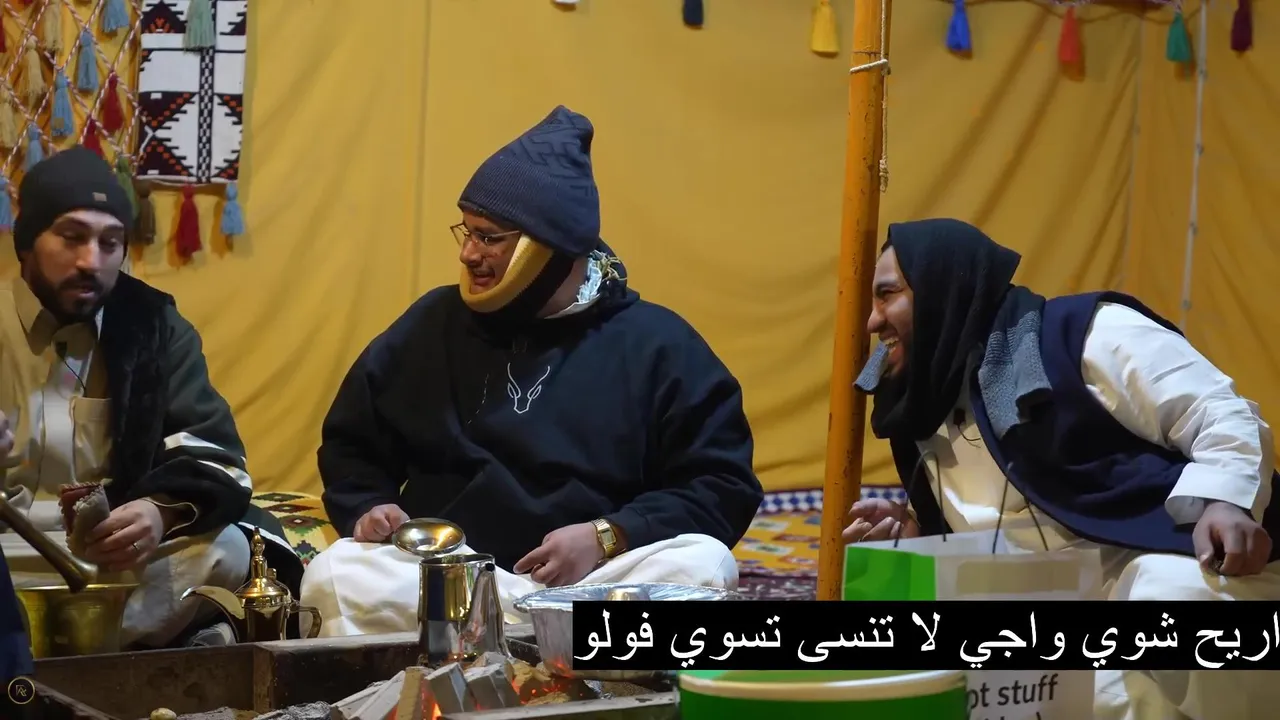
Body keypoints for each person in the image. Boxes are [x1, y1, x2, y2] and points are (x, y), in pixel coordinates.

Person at [301, 106, 762, 636]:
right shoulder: (433, 324)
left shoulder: (658, 344)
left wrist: (608, 535)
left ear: (550, 247)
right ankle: (548, 636)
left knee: (701, 563)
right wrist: (370, 505)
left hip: (596, 580)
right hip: (451, 576)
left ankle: (534, 631)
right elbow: (353, 444)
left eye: (489, 237)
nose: (468, 254)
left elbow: (721, 485)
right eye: (466, 232)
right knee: (334, 574)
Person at [844, 218, 1280, 720]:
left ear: (943, 285)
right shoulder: (920, 411)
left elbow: (1218, 412)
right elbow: (995, 535)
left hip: (1187, 571)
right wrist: (919, 535)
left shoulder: (1080, 334)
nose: (872, 322)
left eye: (887, 295)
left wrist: (1226, 501)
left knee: (1169, 598)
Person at [0, 147, 304, 649]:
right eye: (71, 237)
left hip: (109, 568)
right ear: (28, 241)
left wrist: (159, 511)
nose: (90, 261)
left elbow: (214, 456)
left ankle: (46, 650)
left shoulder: (153, 328)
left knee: (226, 549)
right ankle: (84, 652)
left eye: (110, 243)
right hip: (7, 560)